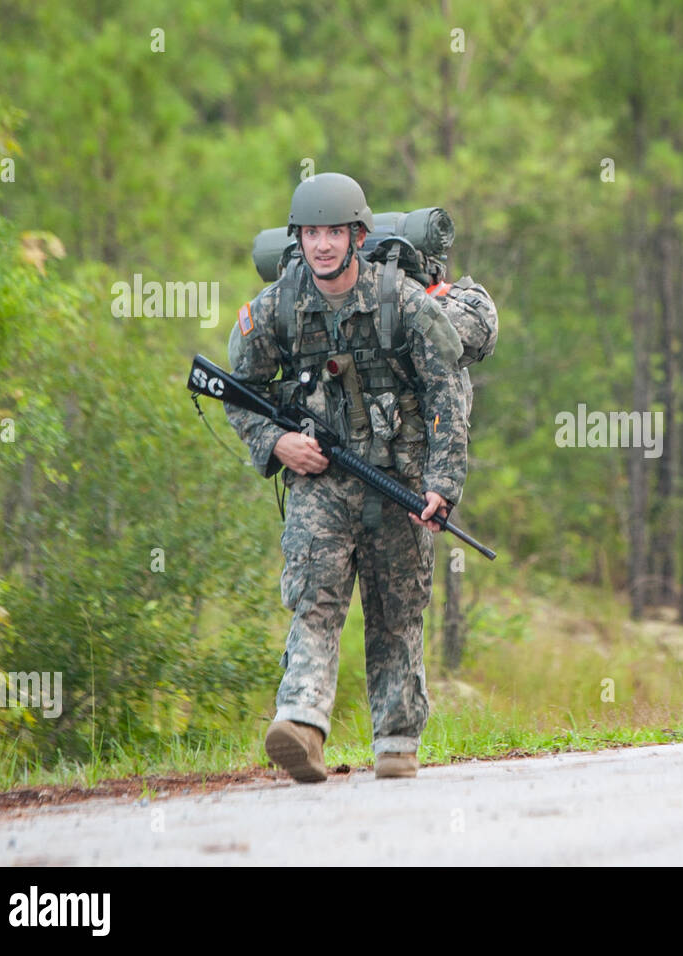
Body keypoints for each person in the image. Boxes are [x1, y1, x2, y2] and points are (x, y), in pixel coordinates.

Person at [226, 173, 470, 782]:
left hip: (399, 477)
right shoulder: (279, 305)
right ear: (299, 239)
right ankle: (302, 724)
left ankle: (395, 739)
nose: (323, 245)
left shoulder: (403, 302)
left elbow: (447, 392)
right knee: (315, 596)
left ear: (357, 236)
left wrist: (441, 485)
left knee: (397, 610)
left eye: (335, 232)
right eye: (312, 233)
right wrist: (277, 441)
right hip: (322, 477)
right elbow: (238, 391)